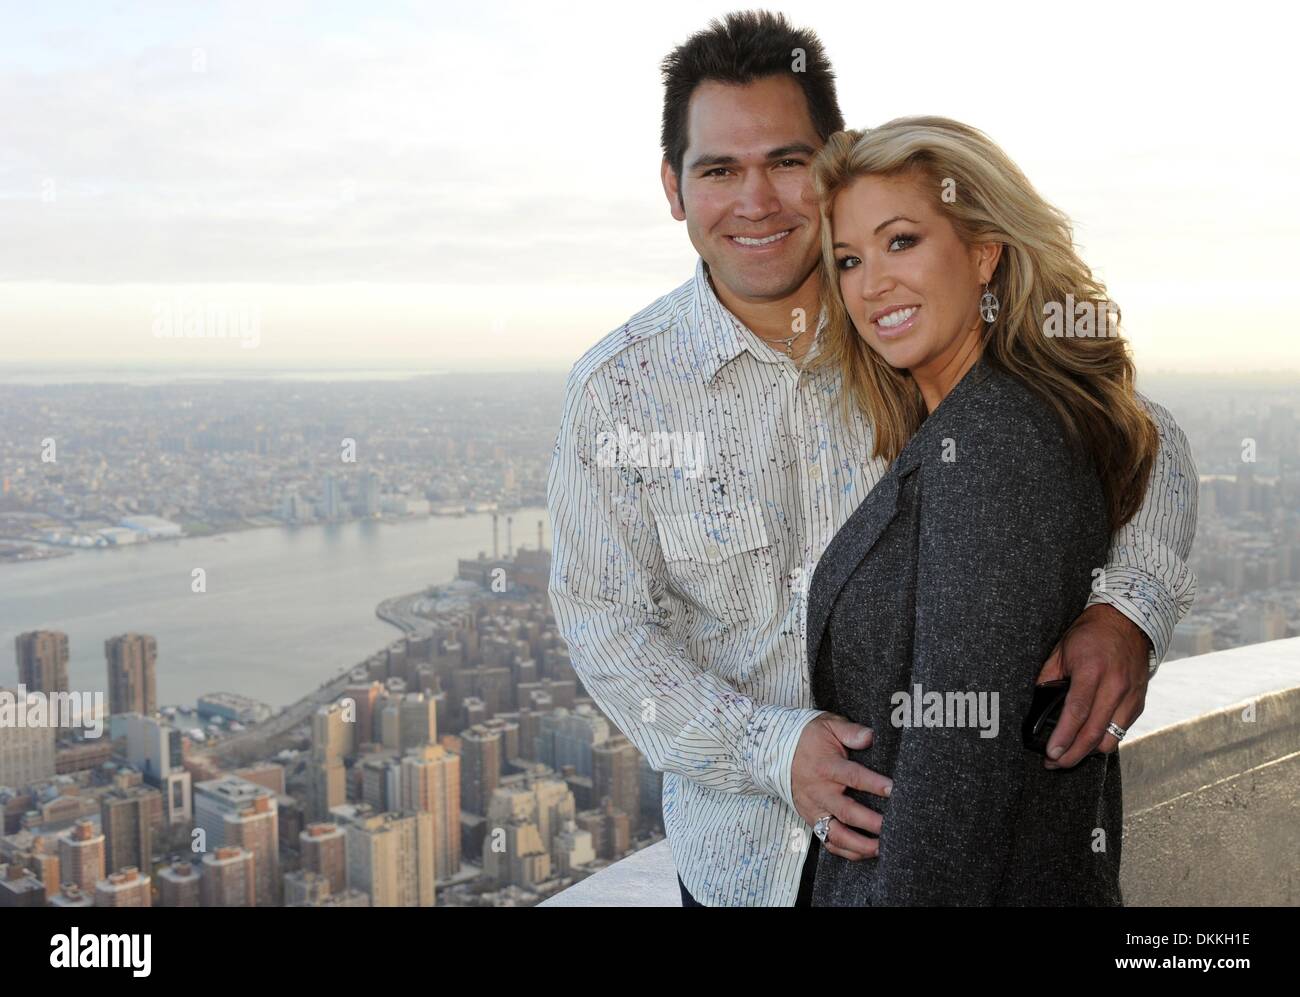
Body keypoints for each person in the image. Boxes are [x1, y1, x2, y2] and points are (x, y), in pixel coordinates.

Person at [545, 11, 1198, 907]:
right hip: (743, 864)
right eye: (719, 170)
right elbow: (604, 626)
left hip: (937, 849)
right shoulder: (617, 389)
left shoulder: (903, 335)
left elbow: (1129, 427)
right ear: (673, 187)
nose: (758, 201)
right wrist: (773, 748)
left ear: (832, 161)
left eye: (786, 161)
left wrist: (1129, 606)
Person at [804, 116, 1173, 905]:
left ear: (983, 252)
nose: (871, 284)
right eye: (848, 260)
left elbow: (952, 793)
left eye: (901, 241)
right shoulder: (977, 423)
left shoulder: (993, 444)